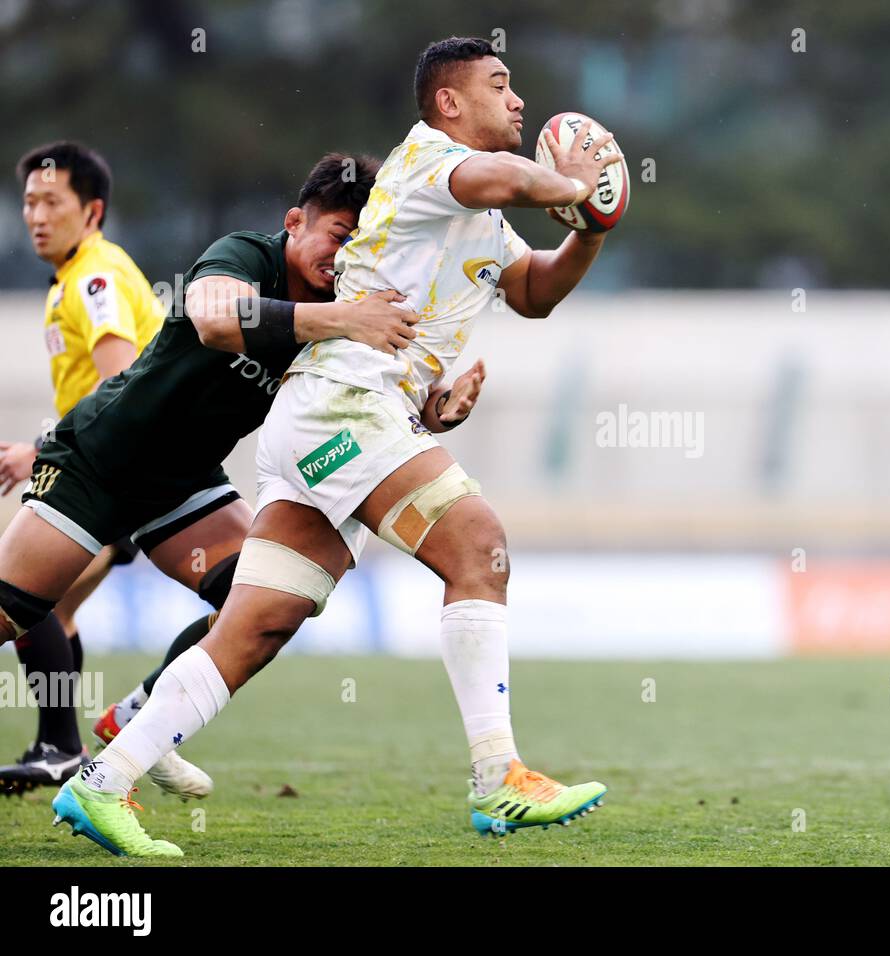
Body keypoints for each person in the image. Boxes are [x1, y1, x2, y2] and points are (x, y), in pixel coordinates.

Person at [56, 35, 623, 857]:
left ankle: (101, 782)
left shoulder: (487, 219)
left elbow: (534, 291)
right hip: (344, 409)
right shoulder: (432, 161)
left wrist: (591, 228)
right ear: (449, 104)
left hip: (331, 417)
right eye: (501, 85)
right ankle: (498, 777)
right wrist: (576, 181)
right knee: (480, 546)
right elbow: (505, 177)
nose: (520, 101)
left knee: (254, 629)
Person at [0, 152, 417, 819]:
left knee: (266, 603)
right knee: (13, 612)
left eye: (359, 246)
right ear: (294, 223)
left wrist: (436, 407)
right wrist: (344, 321)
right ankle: (63, 744)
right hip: (100, 462)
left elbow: (354, 404)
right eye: (339, 236)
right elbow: (216, 322)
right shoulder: (244, 255)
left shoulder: (336, 311)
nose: (344, 259)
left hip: (184, 484)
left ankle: (140, 720)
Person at [0, 141, 206, 797]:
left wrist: (40, 448)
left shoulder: (96, 277)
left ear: (92, 210)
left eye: (51, 201)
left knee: (29, 602)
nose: (35, 214)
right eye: (29, 201)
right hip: (115, 468)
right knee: (50, 609)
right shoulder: (77, 275)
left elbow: (119, 379)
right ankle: (64, 741)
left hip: (121, 475)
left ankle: (88, 736)